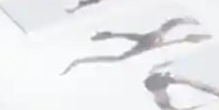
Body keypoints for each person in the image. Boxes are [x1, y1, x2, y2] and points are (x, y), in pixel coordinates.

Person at [60, 17, 208, 75]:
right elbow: (172, 24)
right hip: (149, 40)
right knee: (121, 51)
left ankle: (83, 57)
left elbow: (172, 25)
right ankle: (103, 37)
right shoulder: (161, 34)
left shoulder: (166, 37)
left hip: (148, 42)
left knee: (120, 56)